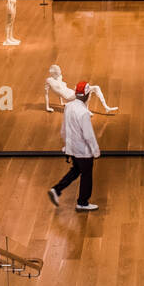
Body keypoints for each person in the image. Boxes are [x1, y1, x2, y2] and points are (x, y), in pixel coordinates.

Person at [47, 80, 101, 212]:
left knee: (76, 170)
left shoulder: (69, 107)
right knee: (86, 175)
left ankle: (56, 189)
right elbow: (88, 135)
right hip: (84, 151)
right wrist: (96, 151)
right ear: (87, 95)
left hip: (73, 148)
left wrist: (66, 146)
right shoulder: (84, 113)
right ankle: (82, 202)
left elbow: (64, 128)